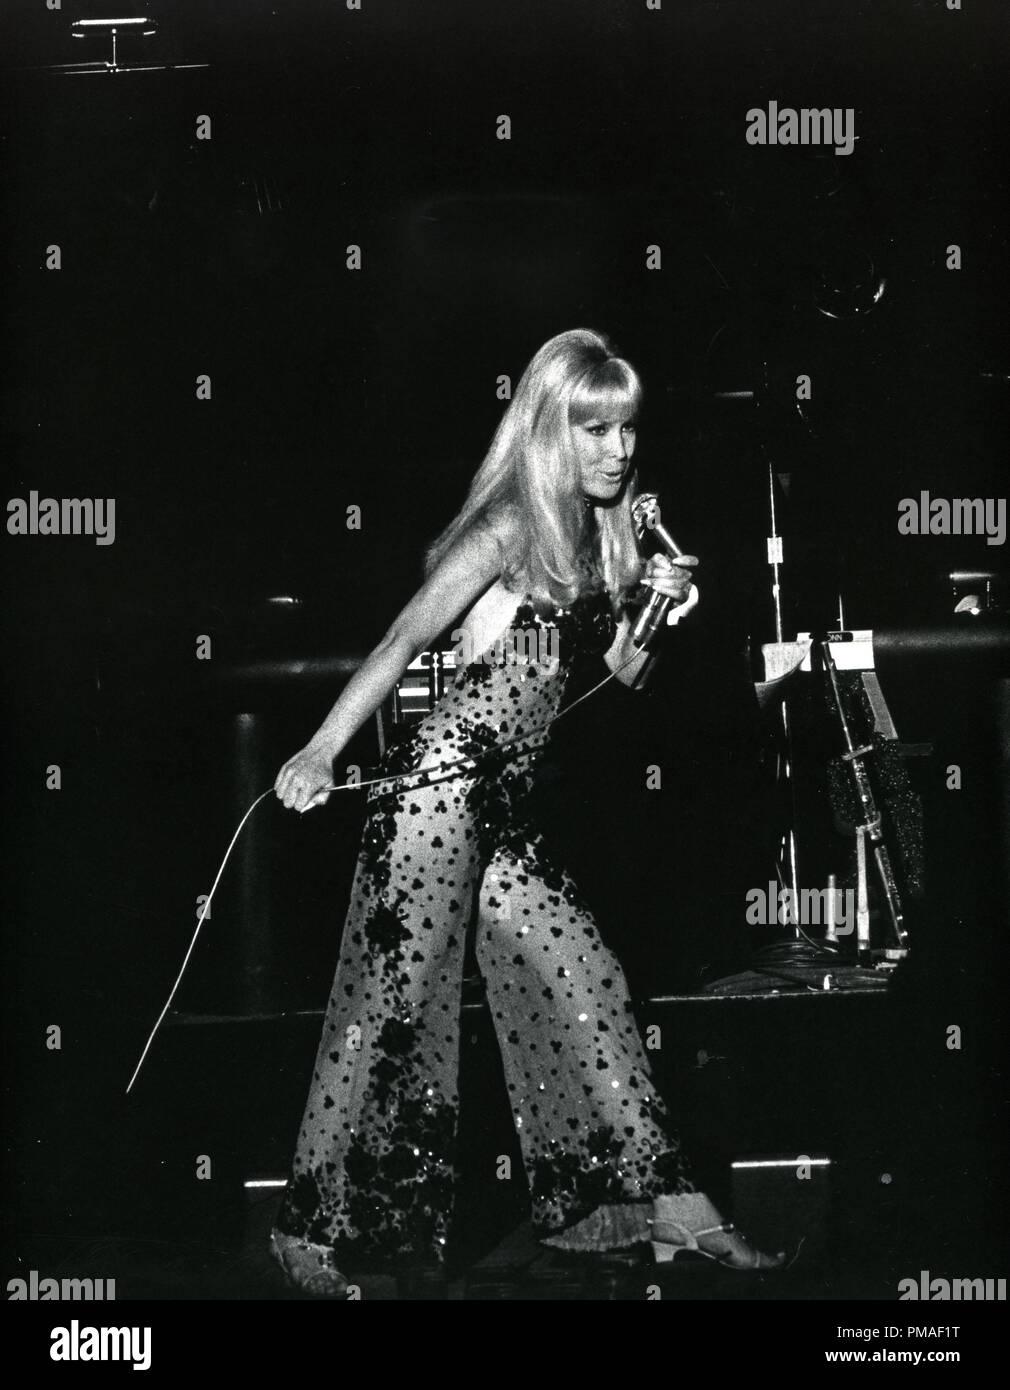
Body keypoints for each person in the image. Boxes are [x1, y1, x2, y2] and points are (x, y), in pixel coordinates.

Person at [269, 328, 784, 1293]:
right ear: (549, 431)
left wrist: (658, 611)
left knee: (588, 978)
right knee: (390, 1013)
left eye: (627, 428)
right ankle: (313, 1232)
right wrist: (320, 750)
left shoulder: (610, 532)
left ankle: (657, 1209)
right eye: (594, 430)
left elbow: (622, 684)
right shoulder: (505, 528)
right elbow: (396, 640)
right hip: (436, 802)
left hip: (507, 814)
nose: (617, 450)